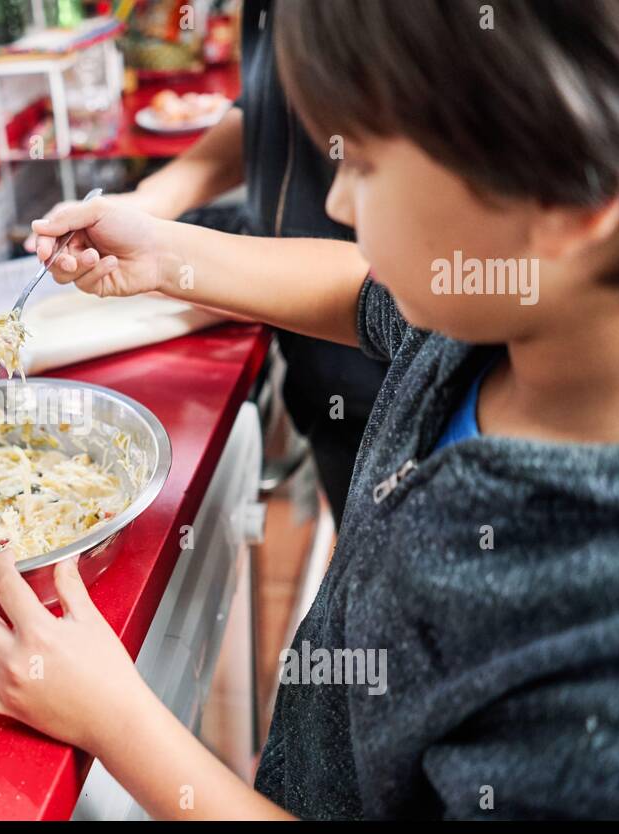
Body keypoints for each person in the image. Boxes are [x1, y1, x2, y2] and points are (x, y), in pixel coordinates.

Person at [0, 0, 619, 820]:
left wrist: (114, 717)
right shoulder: (500, 314)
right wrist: (164, 252)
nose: (339, 204)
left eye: (364, 166)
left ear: (570, 199)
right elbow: (356, 290)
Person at [27, 0, 388, 526]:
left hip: (377, 377)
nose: (341, 202)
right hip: (318, 349)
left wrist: (162, 252)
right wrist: (152, 206)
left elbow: (392, 300)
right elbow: (269, 108)